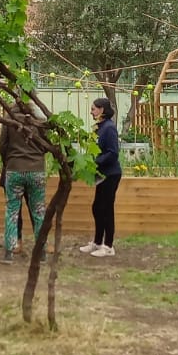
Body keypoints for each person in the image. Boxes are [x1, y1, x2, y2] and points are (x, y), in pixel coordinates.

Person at [0, 108, 48, 264]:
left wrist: (9, 160)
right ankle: (42, 252)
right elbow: (46, 145)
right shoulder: (39, 119)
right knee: (39, 212)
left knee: (12, 211)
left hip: (15, 170)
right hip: (36, 171)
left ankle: (9, 252)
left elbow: (2, 144)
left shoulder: (9, 119)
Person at [80, 96, 121, 257]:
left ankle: (108, 246)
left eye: (93, 109)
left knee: (106, 208)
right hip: (101, 173)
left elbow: (113, 153)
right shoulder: (100, 127)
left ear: (102, 110)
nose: (91, 112)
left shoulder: (109, 128)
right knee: (97, 207)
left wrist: (95, 162)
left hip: (110, 174)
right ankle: (97, 243)